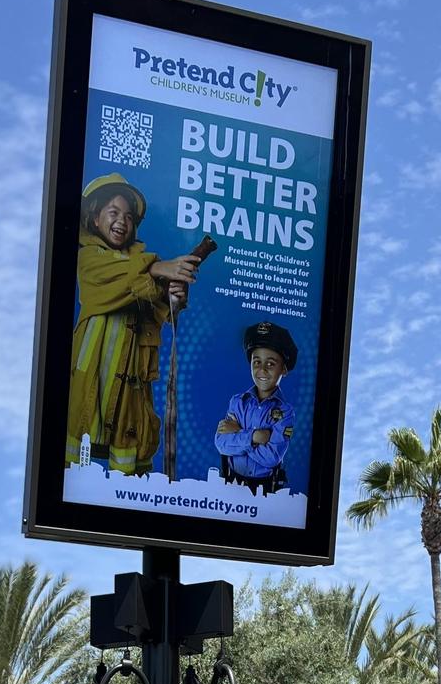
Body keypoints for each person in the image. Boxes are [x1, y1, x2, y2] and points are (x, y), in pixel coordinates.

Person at [67, 175, 200, 477]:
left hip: (132, 388)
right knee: (75, 459)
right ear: (95, 216)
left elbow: (153, 314)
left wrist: (172, 299)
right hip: (91, 383)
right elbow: (120, 276)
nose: (122, 221)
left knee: (131, 457)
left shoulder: (143, 273)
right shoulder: (88, 258)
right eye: (113, 212)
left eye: (128, 215)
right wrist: (158, 267)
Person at [215, 321, 297, 494]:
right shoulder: (238, 402)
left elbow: (271, 457)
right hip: (230, 484)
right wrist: (255, 437)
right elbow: (222, 444)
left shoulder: (285, 412)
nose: (262, 370)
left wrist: (239, 433)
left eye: (271, 364)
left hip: (264, 490)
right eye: (256, 362)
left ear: (284, 369)